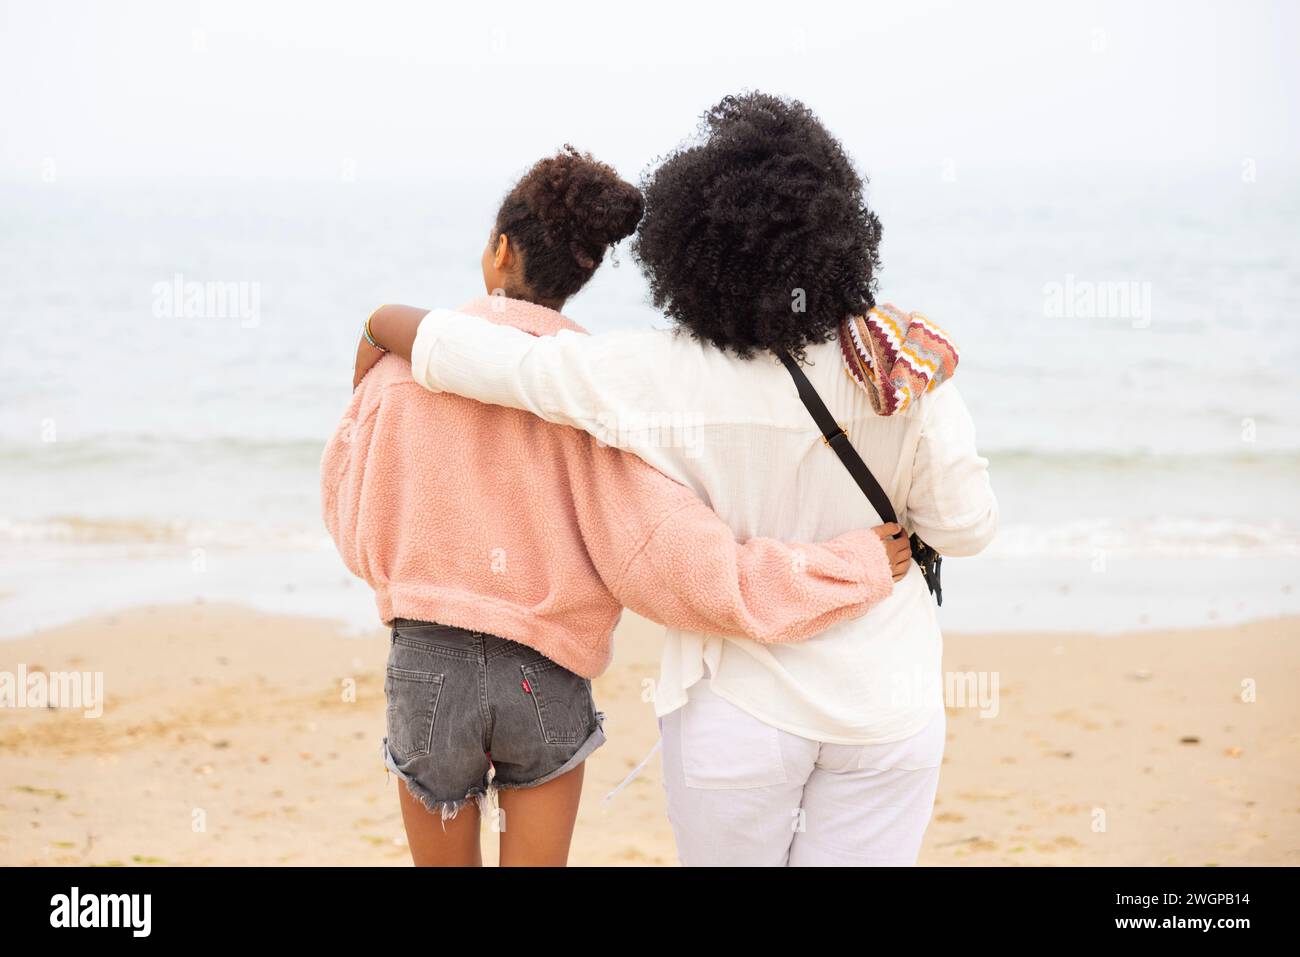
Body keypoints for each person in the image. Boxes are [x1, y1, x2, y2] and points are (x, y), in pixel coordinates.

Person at [355, 95, 998, 866]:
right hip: (885, 704)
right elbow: (965, 526)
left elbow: (513, 362)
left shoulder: (658, 371)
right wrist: (873, 544)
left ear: (690, 247)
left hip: (739, 707)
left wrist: (379, 325)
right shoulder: (901, 361)